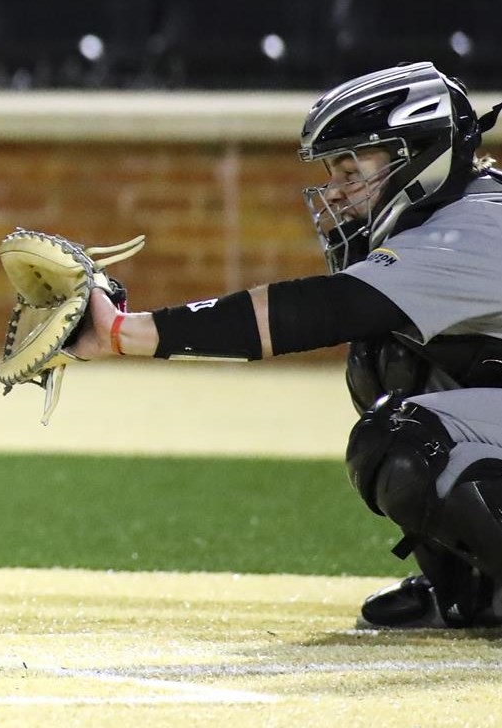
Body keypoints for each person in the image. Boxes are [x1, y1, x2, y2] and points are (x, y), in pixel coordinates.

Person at [66, 61, 502, 628]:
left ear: (418, 152)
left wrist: (125, 332)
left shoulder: (472, 229)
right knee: (385, 364)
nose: (338, 190)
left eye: (353, 167)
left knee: (405, 438)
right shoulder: (459, 214)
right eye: (334, 170)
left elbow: (315, 313)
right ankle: (472, 594)